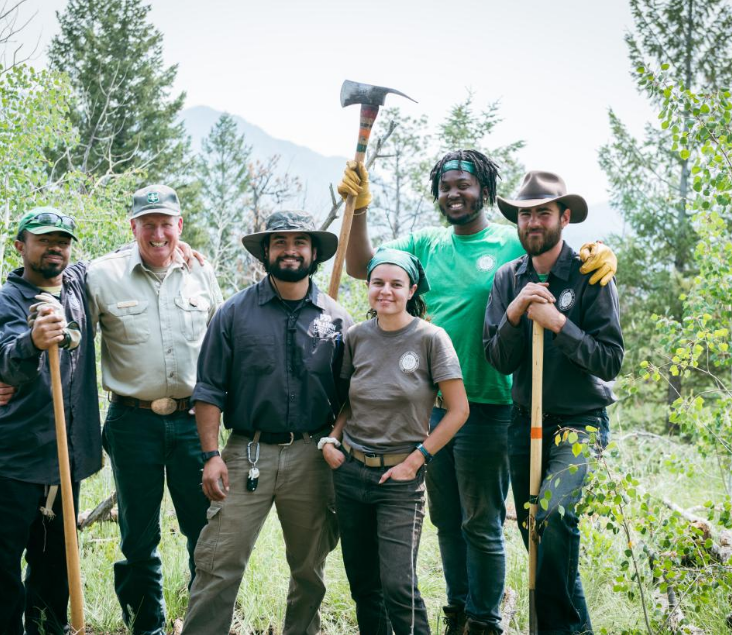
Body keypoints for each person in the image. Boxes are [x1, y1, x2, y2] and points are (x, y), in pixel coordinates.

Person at [338, 153, 617, 633]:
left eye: (464, 184)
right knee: (449, 522)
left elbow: (556, 249)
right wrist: (359, 208)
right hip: (436, 409)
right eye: (446, 186)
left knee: (490, 524)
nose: (454, 193)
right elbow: (365, 267)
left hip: (494, 407)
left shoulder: (514, 241)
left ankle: (486, 622)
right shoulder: (429, 244)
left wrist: (600, 251)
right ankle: (460, 613)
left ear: (485, 190)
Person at [0, 185, 221, 635]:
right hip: (133, 423)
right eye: (147, 224)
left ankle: (202, 626)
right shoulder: (100, 275)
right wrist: (1, 367)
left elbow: (223, 345)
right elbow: (60, 319)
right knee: (138, 539)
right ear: (132, 227)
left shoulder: (200, 272)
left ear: (180, 226)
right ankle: (145, 627)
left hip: (196, 425)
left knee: (206, 536)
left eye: (166, 224)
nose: (158, 233)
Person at [181, 211, 353, 635]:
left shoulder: (336, 320)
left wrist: (334, 441)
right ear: (266, 251)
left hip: (312, 455)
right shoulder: (233, 313)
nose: (290, 250)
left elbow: (352, 398)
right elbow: (208, 390)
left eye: (299, 243)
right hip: (245, 453)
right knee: (218, 563)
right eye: (280, 242)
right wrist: (210, 456)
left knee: (309, 569)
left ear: (314, 253)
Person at [482, 171, 624, 634]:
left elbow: (609, 360)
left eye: (543, 212)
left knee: (554, 515)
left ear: (565, 217)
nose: (533, 221)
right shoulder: (509, 278)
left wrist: (559, 323)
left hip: (579, 423)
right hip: (524, 423)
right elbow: (498, 360)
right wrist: (516, 312)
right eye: (525, 214)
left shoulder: (590, 274)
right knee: (543, 544)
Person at [321, 248, 469, 635]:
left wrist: (416, 459)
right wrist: (331, 442)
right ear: (368, 287)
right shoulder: (356, 337)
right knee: (364, 585)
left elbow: (458, 411)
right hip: (351, 474)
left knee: (398, 585)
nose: (385, 291)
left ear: (412, 289)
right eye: (378, 283)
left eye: (396, 284)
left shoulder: (430, 339)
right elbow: (348, 402)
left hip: (400, 481)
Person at [0, 208, 100, 634]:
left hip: (61, 469)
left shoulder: (77, 285)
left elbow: (129, 253)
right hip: (9, 466)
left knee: (52, 580)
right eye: (43, 240)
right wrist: (31, 342)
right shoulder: (9, 301)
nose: (55, 248)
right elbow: (2, 358)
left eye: (62, 240)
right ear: (21, 246)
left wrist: (175, 248)